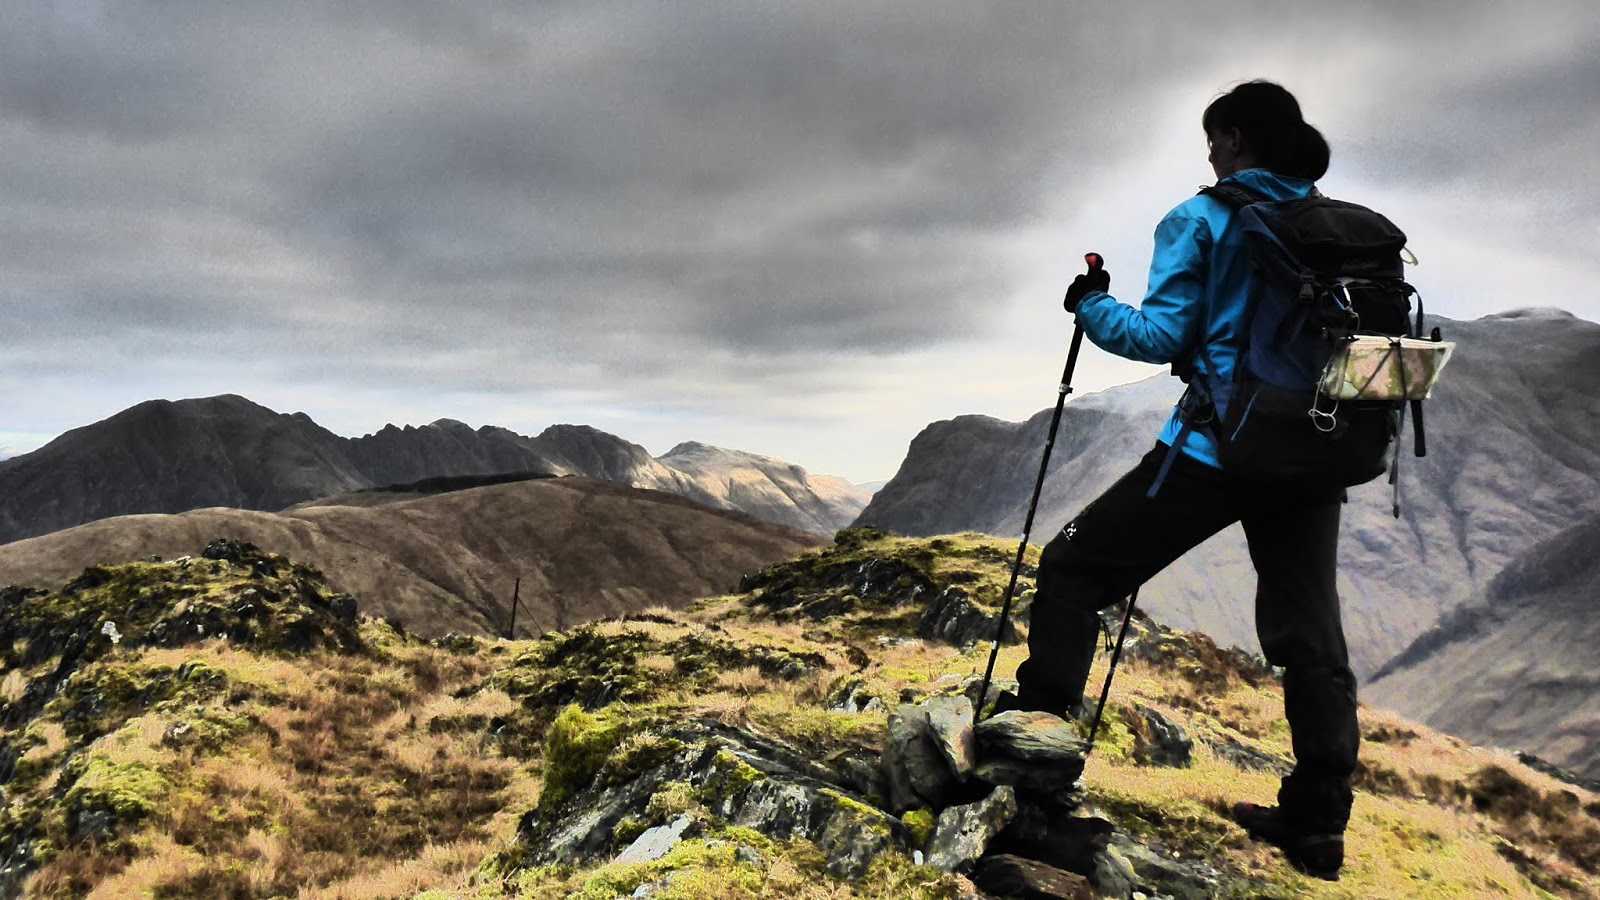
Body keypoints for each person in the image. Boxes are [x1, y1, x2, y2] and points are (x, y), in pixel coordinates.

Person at [997, 80, 1356, 881]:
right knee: (1312, 640)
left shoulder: (1202, 218)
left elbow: (1160, 335)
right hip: (1316, 455)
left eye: (1213, 138)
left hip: (1219, 450)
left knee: (1075, 568)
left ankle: (1036, 756)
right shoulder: (1329, 225)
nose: (1207, 152)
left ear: (1233, 139)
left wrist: (1091, 305)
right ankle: (1317, 828)